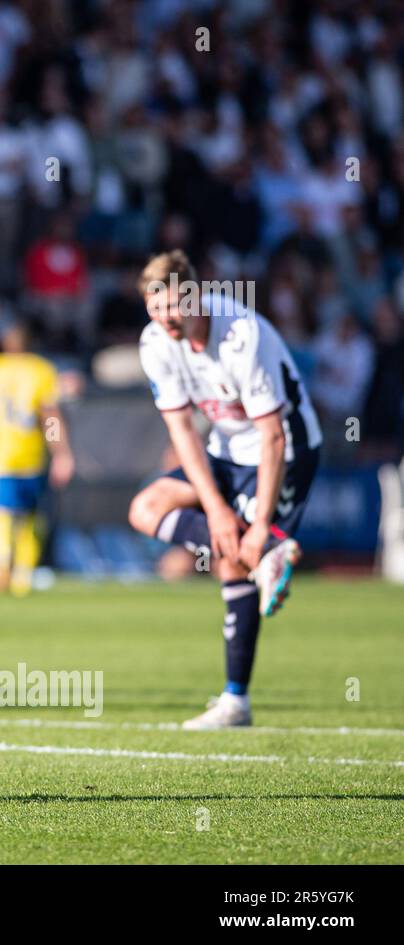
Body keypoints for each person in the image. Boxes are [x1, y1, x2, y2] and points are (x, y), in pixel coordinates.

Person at [128, 250, 322, 729]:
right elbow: (182, 432)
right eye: (155, 308)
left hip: (285, 453)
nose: (166, 318)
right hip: (227, 452)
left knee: (234, 555)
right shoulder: (155, 341)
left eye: (174, 305)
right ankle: (272, 551)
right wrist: (216, 510)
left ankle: (236, 698)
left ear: (195, 295)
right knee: (145, 508)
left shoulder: (240, 335)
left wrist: (256, 525)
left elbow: (274, 434)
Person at [0, 318, 75, 595]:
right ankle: (23, 573)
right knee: (31, 515)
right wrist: (61, 453)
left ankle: (1, 558)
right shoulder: (42, 370)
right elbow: (50, 416)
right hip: (32, 455)